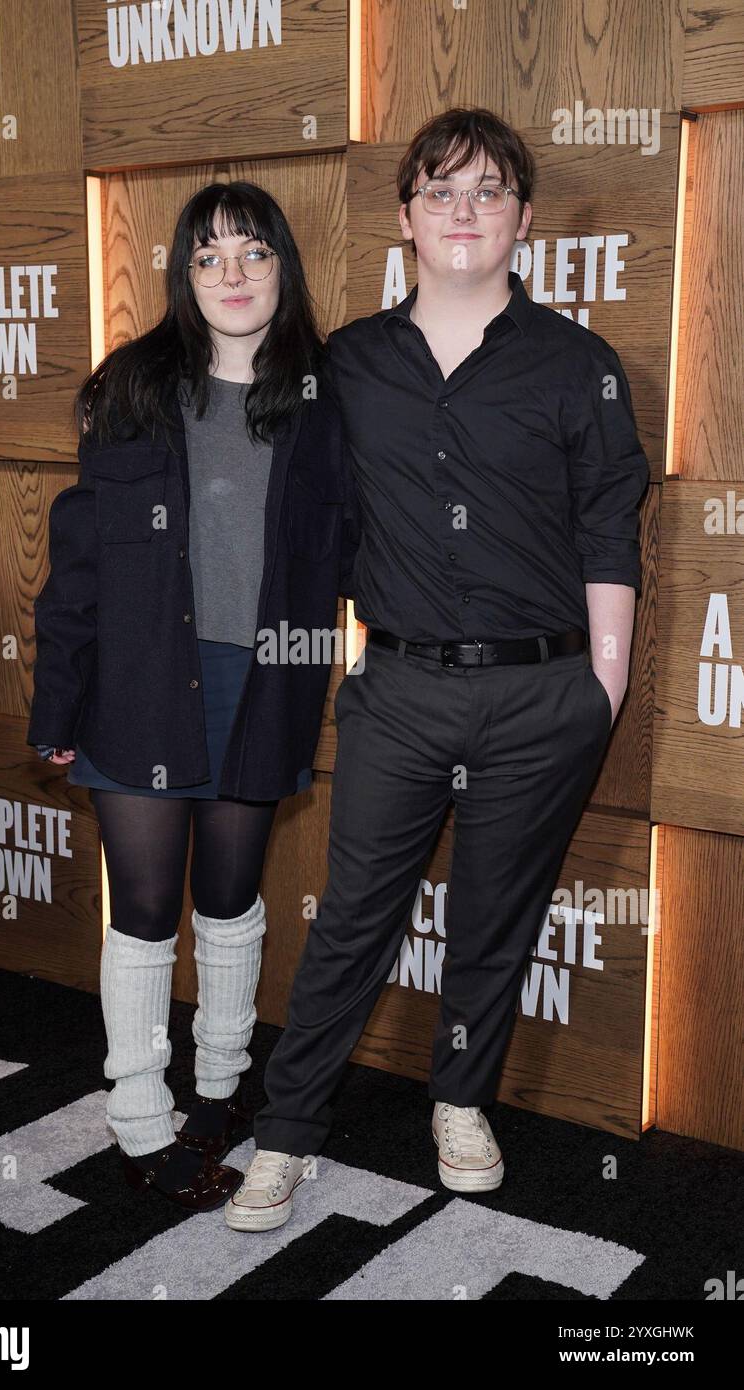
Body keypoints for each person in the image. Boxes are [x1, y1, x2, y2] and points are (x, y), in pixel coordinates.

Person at [226, 107, 650, 1231]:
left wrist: (598, 689)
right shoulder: (350, 365)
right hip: (400, 691)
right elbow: (289, 501)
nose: (463, 210)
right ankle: (285, 1131)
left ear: (520, 217)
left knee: (493, 920)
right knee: (353, 916)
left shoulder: (579, 366)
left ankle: (460, 1101)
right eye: (440, 191)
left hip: (541, 696)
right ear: (404, 216)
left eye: (487, 191)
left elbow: (611, 528)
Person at [26, 180, 359, 1211]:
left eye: (253, 253)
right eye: (208, 255)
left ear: (283, 270)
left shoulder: (322, 396)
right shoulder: (129, 386)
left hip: (259, 682)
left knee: (227, 898)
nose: (231, 274)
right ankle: (136, 1119)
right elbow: (77, 563)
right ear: (183, 275)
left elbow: (350, 544)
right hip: (135, 686)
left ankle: (218, 1085)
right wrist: (58, 705)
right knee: (141, 911)